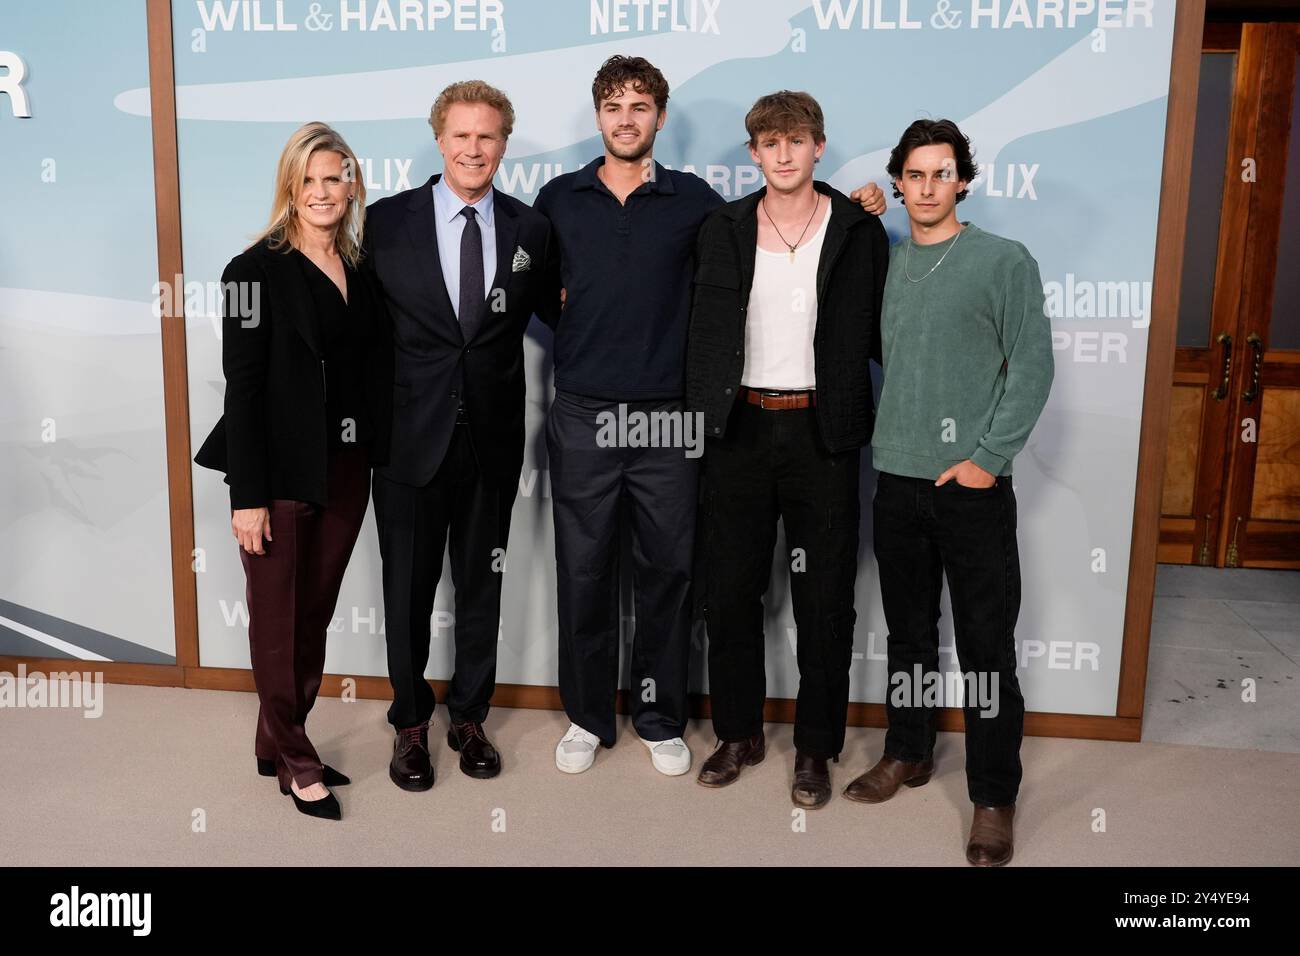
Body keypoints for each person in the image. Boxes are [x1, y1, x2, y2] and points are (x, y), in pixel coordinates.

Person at [534, 56, 886, 777]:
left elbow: (799, 243)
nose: (626, 118)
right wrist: (575, 325)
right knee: (584, 571)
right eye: (613, 106)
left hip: (672, 418)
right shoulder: (558, 198)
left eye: (640, 105)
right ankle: (587, 716)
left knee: (668, 573)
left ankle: (661, 717)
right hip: (585, 411)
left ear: (660, 117)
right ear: (598, 117)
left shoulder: (699, 205)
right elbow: (540, 289)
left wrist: (864, 205)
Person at [842, 119, 1054, 866]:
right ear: (897, 181)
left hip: (971, 486)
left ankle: (993, 795)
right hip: (896, 477)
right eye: (914, 175)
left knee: (987, 651)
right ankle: (908, 750)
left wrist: (986, 458)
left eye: (941, 174)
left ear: (963, 180)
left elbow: (1031, 368)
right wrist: (858, 212)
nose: (926, 187)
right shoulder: (887, 260)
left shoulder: (1002, 260)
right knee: (907, 636)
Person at [685, 91, 888, 808]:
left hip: (821, 433)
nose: (783, 154)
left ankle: (814, 747)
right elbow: (699, 333)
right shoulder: (723, 227)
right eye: (770, 143)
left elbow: (880, 333)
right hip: (738, 429)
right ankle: (738, 733)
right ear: (754, 154)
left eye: (796, 141)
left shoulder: (858, 228)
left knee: (825, 600)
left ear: (818, 148)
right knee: (730, 592)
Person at [195, 121, 393, 821]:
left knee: (312, 614)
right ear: (289, 186)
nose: (321, 191)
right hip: (276, 476)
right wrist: (245, 497)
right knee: (277, 622)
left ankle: (275, 738)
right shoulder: (249, 272)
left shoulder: (363, 269)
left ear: (352, 185)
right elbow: (241, 389)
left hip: (345, 469)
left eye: (333, 177)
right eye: (307, 179)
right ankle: (296, 759)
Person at [363, 81, 557, 790]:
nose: (474, 148)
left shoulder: (531, 229)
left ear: (503, 144)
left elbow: (567, 313)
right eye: (462, 135)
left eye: (488, 136)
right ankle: (409, 726)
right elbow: (356, 331)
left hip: (494, 443)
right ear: (440, 140)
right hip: (409, 444)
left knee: (482, 589)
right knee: (408, 593)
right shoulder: (385, 222)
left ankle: (469, 717)